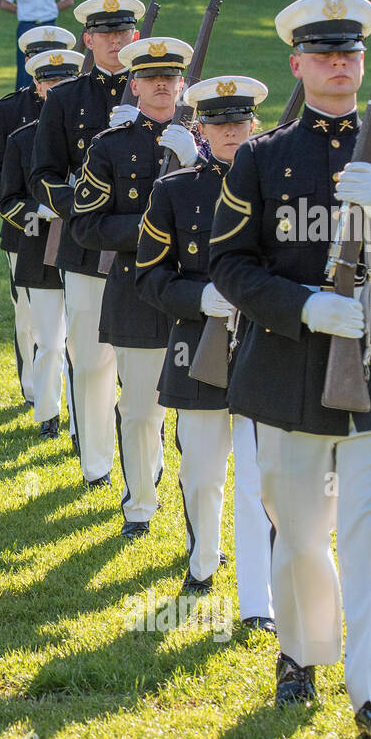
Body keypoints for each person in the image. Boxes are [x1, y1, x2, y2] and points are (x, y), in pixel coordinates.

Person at [209, 0, 371, 739]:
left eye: (350, 53)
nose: (341, 64)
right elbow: (228, 267)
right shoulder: (259, 158)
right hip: (287, 364)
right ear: (298, 65)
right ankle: (302, 654)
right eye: (324, 54)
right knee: (301, 535)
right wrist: (304, 307)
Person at [135, 74, 275, 630]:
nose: (231, 133)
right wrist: (199, 298)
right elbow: (149, 276)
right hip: (200, 343)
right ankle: (203, 559)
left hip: (266, 342)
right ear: (201, 129)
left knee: (262, 478)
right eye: (219, 124)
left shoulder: (276, 184)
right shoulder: (175, 190)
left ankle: (259, 595)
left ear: (254, 125)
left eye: (240, 122)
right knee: (200, 469)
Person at [71, 36, 196, 538]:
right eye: (151, 77)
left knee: (198, 420)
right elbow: (85, 225)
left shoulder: (209, 142)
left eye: (170, 76)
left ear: (182, 83)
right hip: (137, 290)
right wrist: (148, 229)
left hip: (198, 294)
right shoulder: (111, 147)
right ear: (135, 85)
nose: (162, 84)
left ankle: (201, 525)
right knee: (141, 408)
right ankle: (140, 504)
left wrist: (198, 162)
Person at [29, 0, 142, 491]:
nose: (115, 42)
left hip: (148, 245)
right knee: (92, 360)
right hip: (86, 244)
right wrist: (83, 206)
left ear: (135, 37)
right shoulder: (65, 99)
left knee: (143, 363)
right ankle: (97, 463)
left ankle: (145, 466)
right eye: (105, 34)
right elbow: (43, 175)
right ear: (88, 40)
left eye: (123, 33)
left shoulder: (159, 92)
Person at [0, 25, 76, 409]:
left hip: (71, 227)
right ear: (29, 67)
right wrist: (32, 199)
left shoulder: (79, 108)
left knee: (69, 321)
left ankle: (64, 399)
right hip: (25, 226)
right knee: (28, 318)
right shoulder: (9, 111)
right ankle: (34, 392)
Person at [0, 48, 84, 439]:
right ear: (37, 85)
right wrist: (41, 211)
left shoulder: (92, 134)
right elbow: (9, 200)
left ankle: (81, 424)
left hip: (86, 247)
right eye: (50, 82)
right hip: (39, 247)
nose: (58, 88)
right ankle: (49, 413)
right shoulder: (21, 140)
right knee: (49, 339)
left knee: (82, 344)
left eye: (66, 82)